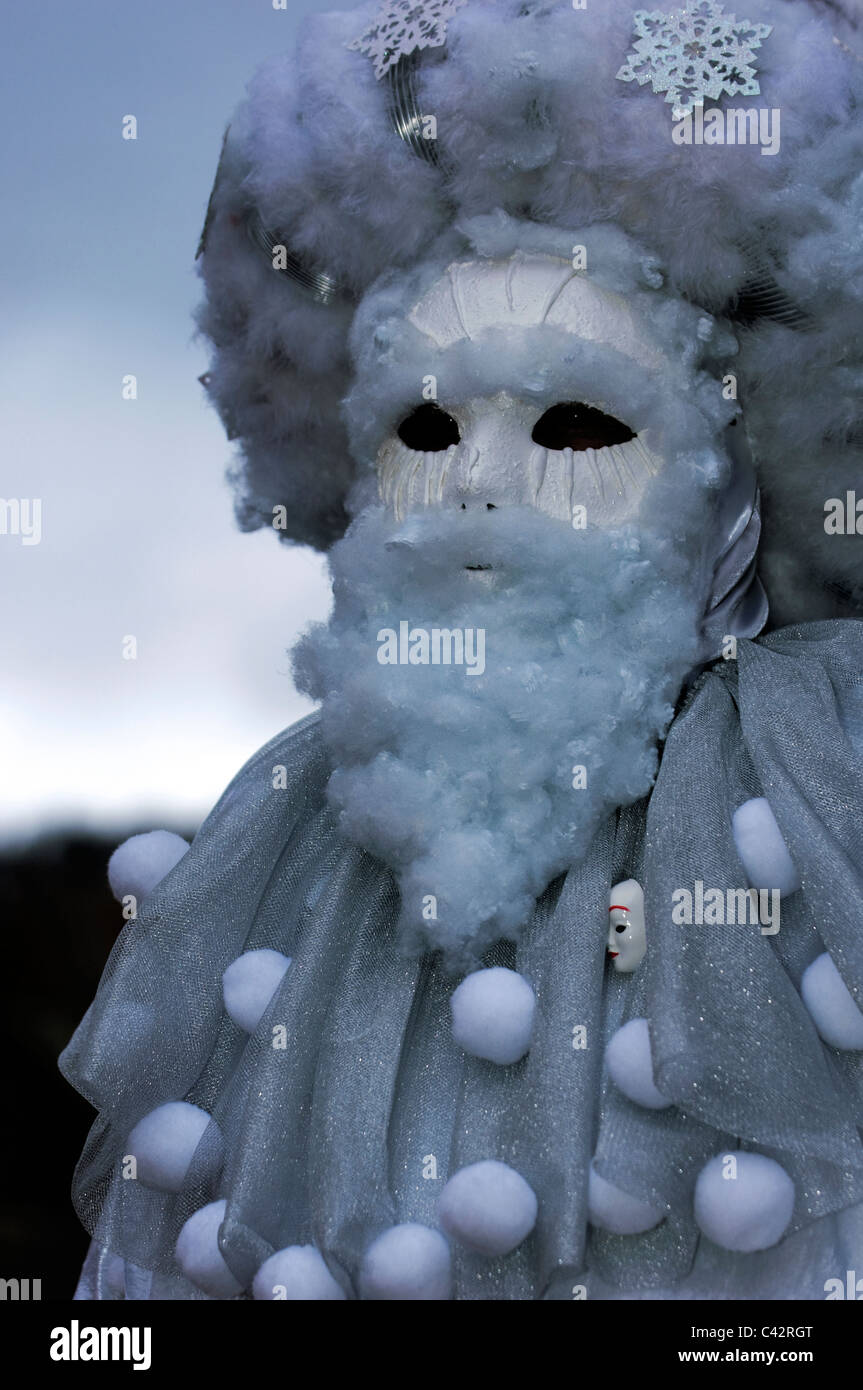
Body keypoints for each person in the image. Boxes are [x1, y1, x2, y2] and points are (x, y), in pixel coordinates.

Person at [63, 0, 863, 1300]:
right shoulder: (291, 840)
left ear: (729, 490)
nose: (479, 483)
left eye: (580, 424)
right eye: (427, 432)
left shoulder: (821, 790)